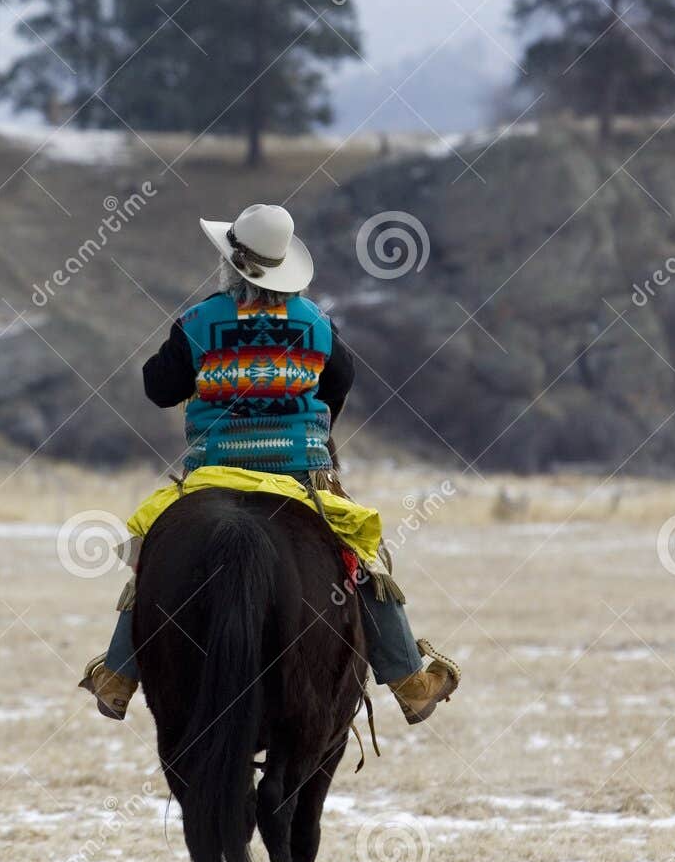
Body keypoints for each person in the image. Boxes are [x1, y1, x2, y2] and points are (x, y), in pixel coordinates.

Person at [80, 204, 460, 727]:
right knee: (360, 557)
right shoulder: (316, 323)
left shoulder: (199, 321)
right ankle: (410, 682)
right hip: (298, 473)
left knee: (152, 555)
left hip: (213, 471)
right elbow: (339, 384)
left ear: (230, 266)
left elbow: (157, 387)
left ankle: (118, 675)